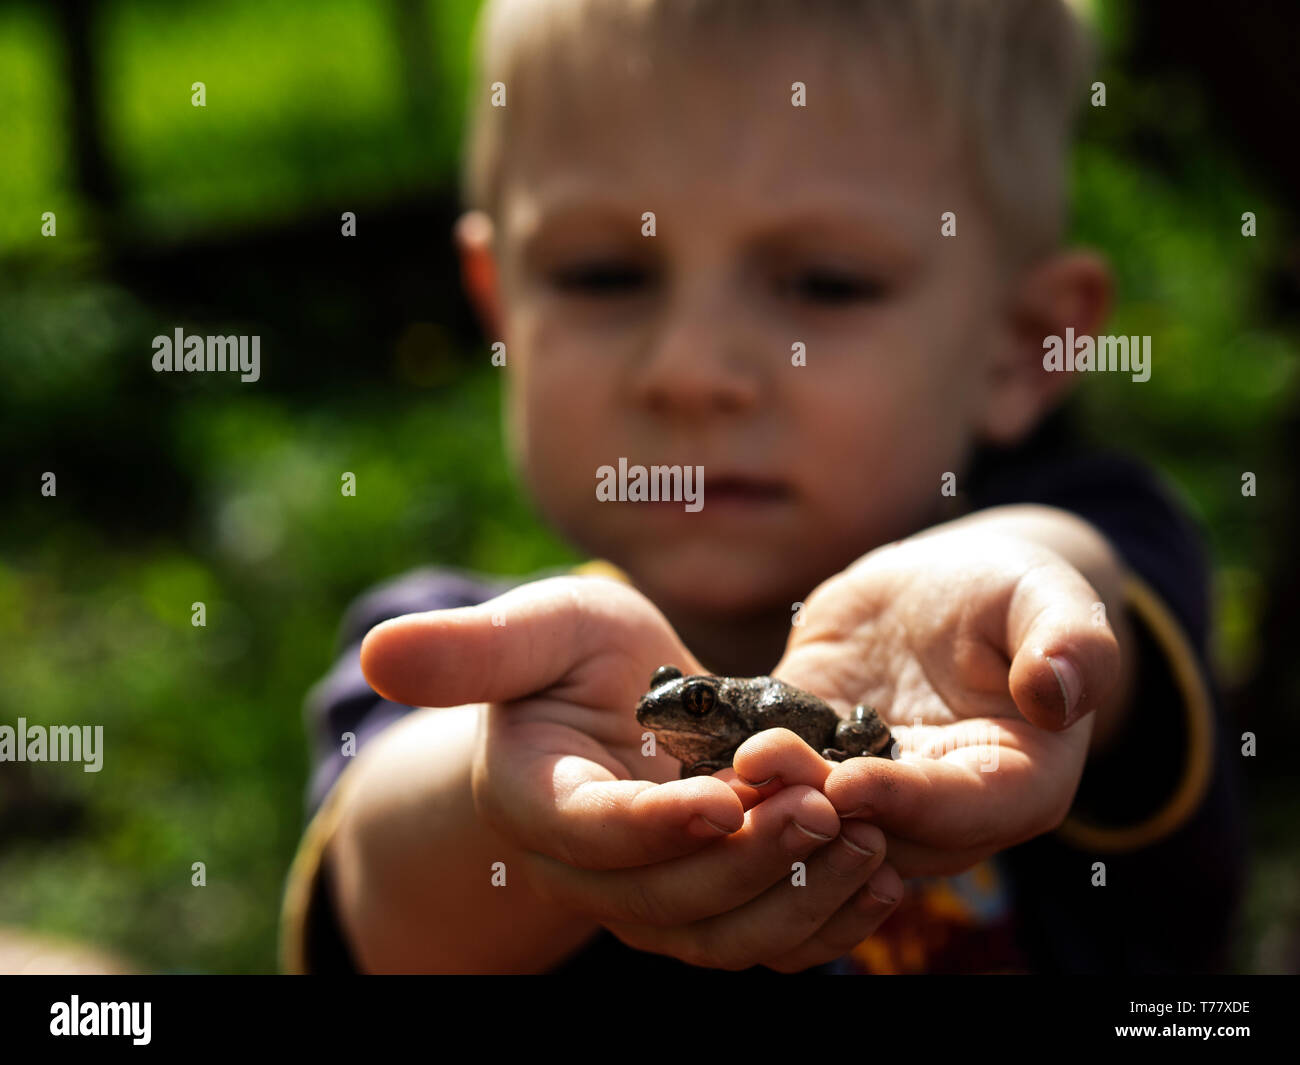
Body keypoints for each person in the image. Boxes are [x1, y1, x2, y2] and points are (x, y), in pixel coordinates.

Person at [279, 0, 1245, 974]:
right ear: (498, 307)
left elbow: (1080, 582)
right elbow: (391, 915)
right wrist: (511, 790)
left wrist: (1009, 577)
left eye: (825, 283)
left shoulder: (1106, 526)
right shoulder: (472, 646)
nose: (692, 371)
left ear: (1022, 344)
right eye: (604, 275)